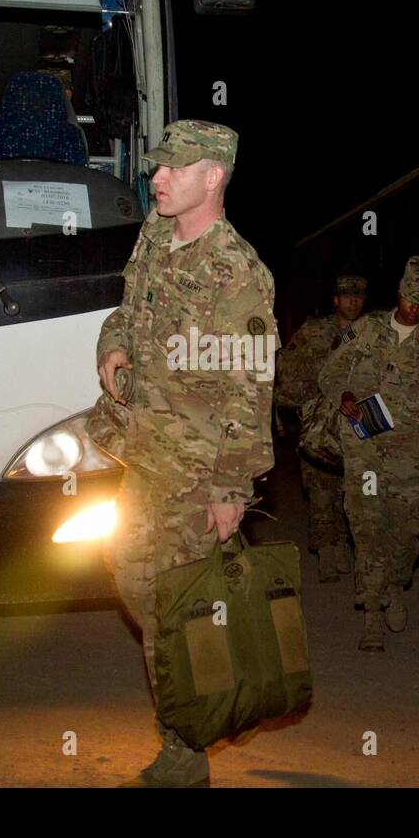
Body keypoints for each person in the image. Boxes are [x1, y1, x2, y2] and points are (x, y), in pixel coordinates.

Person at [92, 120, 277, 787]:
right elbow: (125, 308)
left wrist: (232, 489)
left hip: (197, 468)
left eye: (174, 167)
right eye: (156, 166)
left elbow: (250, 389)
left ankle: (184, 746)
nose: (157, 177)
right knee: (132, 578)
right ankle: (218, 679)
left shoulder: (237, 273)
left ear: (214, 175)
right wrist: (111, 346)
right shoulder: (153, 235)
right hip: (143, 451)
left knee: (170, 602)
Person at [318, 255, 419, 652]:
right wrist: (344, 396)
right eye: (411, 299)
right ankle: (371, 615)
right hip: (364, 448)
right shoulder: (365, 330)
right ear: (399, 292)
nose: (415, 308)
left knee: (406, 532)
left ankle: (395, 585)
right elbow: (329, 373)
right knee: (367, 529)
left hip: (410, 456)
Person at [274, 273, 367, 582]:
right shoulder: (313, 332)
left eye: (358, 296)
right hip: (319, 426)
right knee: (320, 490)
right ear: (335, 299)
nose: (352, 301)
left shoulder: (371, 333)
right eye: (346, 295)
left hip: (356, 427)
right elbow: (287, 372)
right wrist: (306, 407)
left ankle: (341, 544)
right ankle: (326, 551)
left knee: (350, 492)